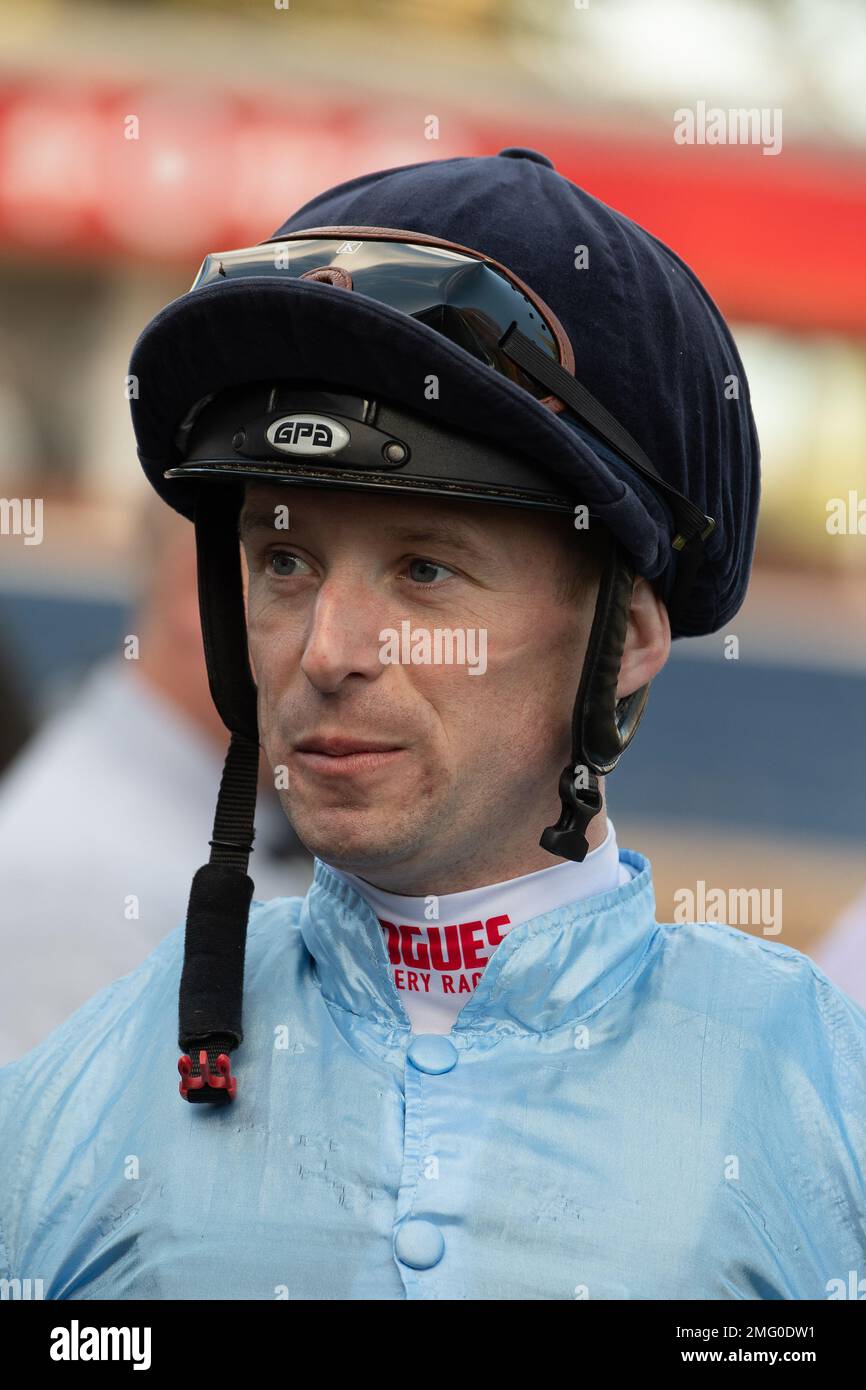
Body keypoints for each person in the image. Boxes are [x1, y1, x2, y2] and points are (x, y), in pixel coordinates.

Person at [0, 148, 863, 1301]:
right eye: (285, 559)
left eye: (424, 568)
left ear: (629, 636)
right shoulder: (85, 1084)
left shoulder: (815, 1096)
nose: (327, 650)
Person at [0, 498, 311, 1064]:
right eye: (288, 571)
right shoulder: (78, 875)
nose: (349, 646)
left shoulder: (181, 821)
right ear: (202, 598)